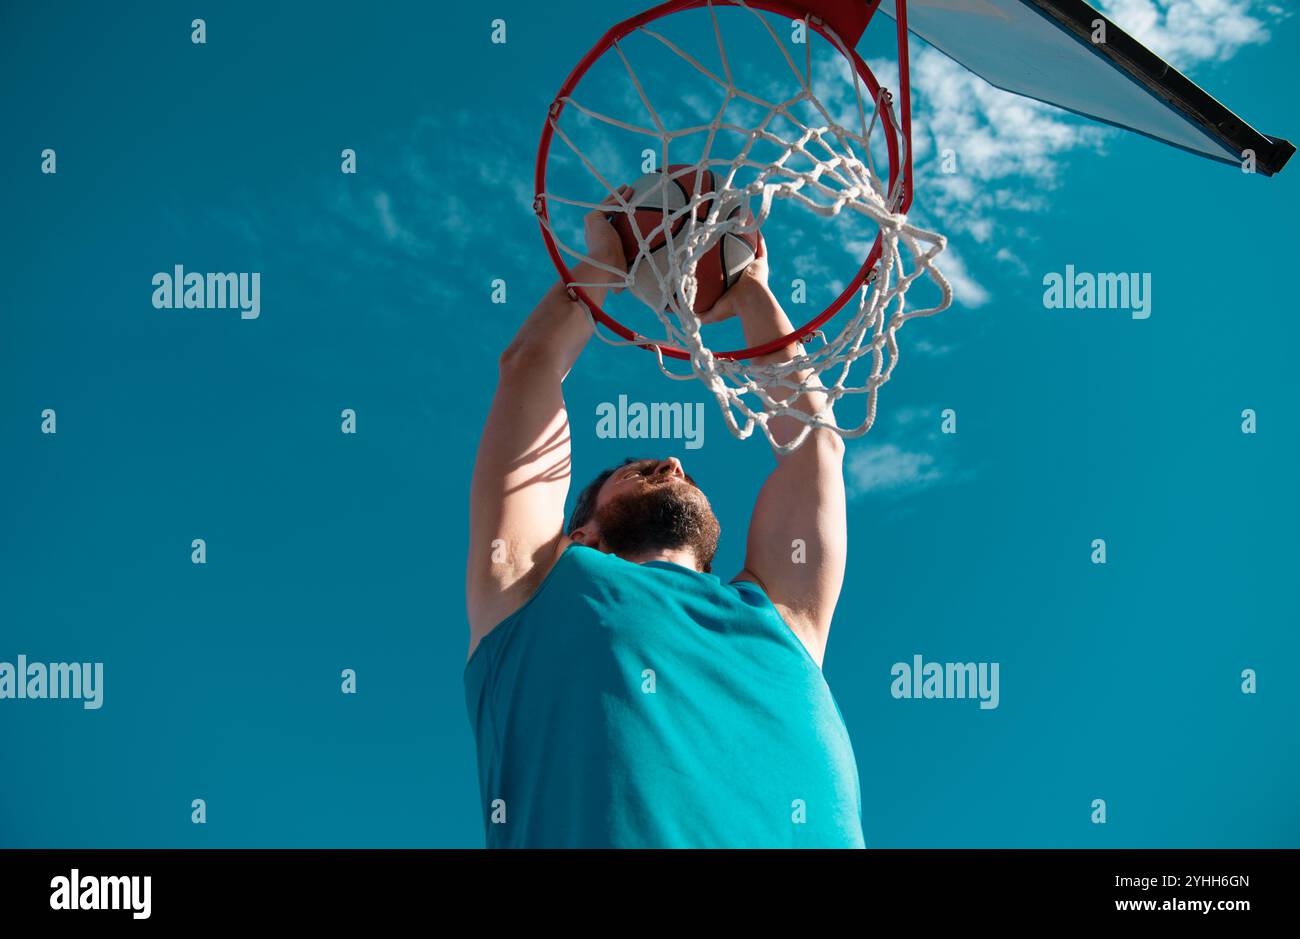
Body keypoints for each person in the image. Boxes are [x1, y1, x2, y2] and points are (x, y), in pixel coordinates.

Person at [464, 188, 862, 848]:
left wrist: (752, 289)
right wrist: (610, 261)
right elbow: (528, 368)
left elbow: (815, 445)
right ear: (581, 531)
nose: (674, 460)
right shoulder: (532, 589)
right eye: (635, 467)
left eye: (672, 466)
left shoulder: (783, 617)